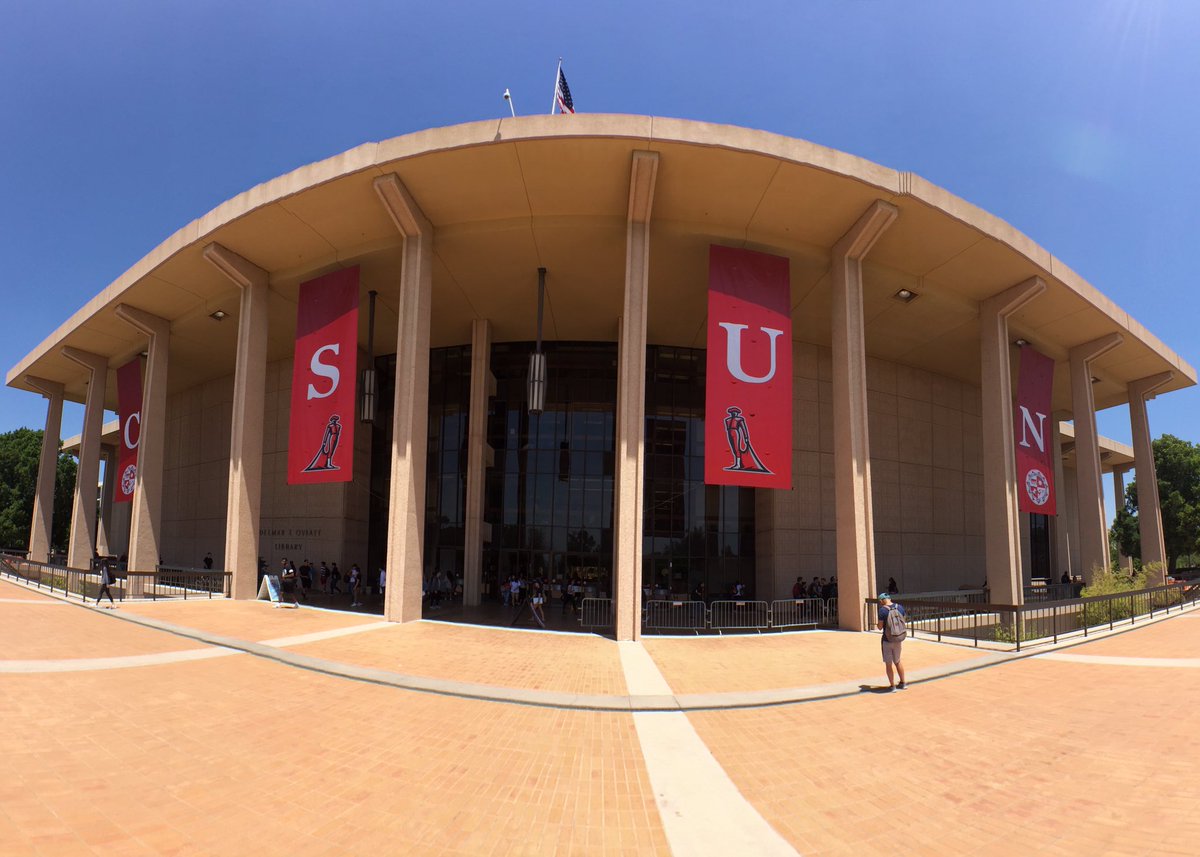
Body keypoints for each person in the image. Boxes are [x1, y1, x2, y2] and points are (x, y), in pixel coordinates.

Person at [877, 592, 907, 691]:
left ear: (882, 600)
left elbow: (880, 627)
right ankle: (903, 683)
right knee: (898, 661)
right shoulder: (900, 607)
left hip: (887, 640)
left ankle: (892, 686)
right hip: (898, 638)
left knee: (888, 663)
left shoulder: (882, 611)